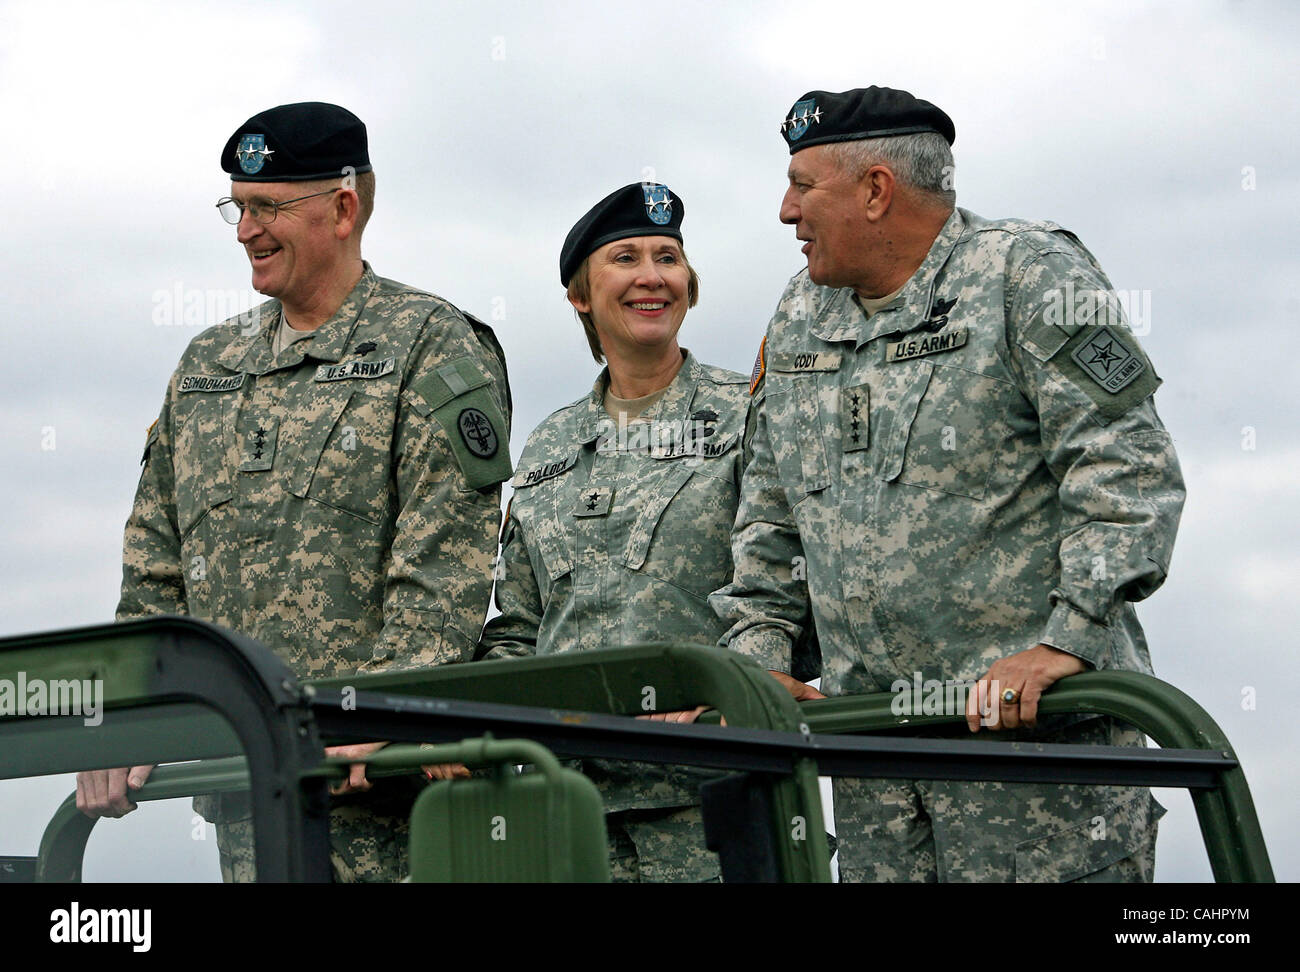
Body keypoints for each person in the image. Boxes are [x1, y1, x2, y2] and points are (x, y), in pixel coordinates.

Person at [711, 86, 1186, 882]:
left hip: (1038, 768)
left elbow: (1128, 469)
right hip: (878, 774)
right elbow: (769, 521)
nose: (785, 210)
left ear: (875, 190)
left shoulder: (1025, 275)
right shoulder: (799, 314)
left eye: (802, 184)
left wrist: (1065, 638)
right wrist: (759, 660)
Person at [75, 102, 513, 882]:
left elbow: (443, 569)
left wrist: (374, 714)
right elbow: (153, 572)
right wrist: (124, 720)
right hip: (243, 793)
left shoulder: (431, 345)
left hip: (390, 804)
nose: (246, 231)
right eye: (237, 208)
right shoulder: (207, 364)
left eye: (267, 206)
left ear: (343, 208)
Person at [477, 183, 749, 882]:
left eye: (669, 257)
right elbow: (517, 628)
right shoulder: (547, 444)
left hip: (709, 805)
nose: (652, 276)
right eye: (625, 258)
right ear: (581, 295)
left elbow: (797, 586)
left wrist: (737, 692)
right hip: (566, 812)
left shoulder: (748, 414)